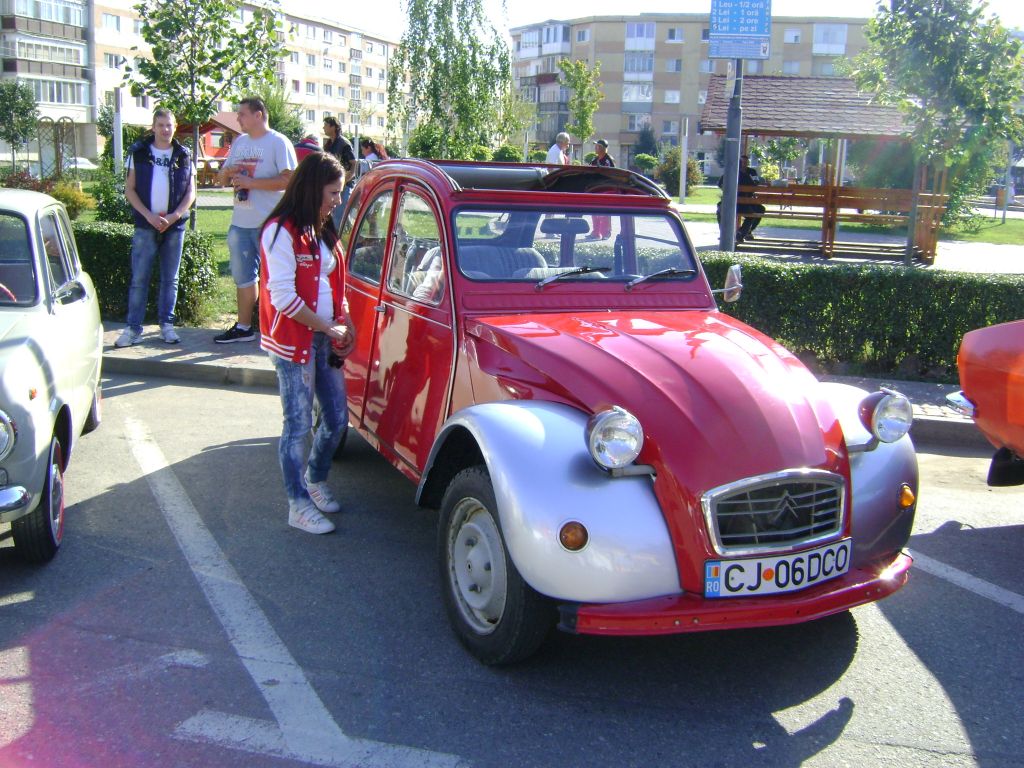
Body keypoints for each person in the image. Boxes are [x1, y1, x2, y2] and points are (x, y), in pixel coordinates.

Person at [259, 152, 355, 535]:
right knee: (297, 425)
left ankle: (314, 480)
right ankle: (296, 504)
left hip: (323, 336)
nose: (337, 200)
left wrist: (343, 320)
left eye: (340, 192)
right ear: (314, 187)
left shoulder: (323, 228)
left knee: (336, 420)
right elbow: (283, 297)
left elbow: (333, 285)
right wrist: (329, 329)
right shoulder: (279, 230)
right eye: (333, 192)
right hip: (293, 342)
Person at [214, 97, 297, 343]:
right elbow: (221, 179)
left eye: (242, 114)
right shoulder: (239, 143)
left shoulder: (278, 142)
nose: (238, 118)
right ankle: (244, 327)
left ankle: (274, 328)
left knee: (275, 277)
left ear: (258, 115)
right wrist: (225, 173)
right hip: (241, 221)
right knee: (243, 277)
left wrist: (253, 183)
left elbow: (289, 180)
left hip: (270, 223)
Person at [115, 107, 196, 347]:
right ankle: (133, 329)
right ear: (153, 127)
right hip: (145, 224)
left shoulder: (183, 154)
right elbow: (129, 189)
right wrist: (149, 215)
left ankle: (166, 326)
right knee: (139, 278)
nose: (165, 129)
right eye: (161, 125)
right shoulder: (139, 152)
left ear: (175, 127)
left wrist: (174, 216)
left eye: (169, 125)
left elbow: (191, 191)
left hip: (174, 226)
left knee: (170, 279)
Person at [716, 154, 766, 243]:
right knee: (751, 215)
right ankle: (742, 232)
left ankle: (724, 233)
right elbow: (753, 187)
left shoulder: (728, 174)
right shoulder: (746, 176)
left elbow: (720, 184)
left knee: (720, 210)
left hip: (727, 204)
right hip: (742, 205)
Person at [323, 116, 356, 227]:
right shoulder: (328, 144)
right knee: (331, 218)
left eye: (326, 125)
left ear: (333, 127)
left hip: (344, 187)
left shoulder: (343, 143)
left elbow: (354, 164)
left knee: (337, 220)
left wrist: (343, 182)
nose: (323, 127)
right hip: (331, 185)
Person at [588, 139, 615, 240]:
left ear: (602, 148)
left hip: (605, 189)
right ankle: (596, 232)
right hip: (595, 189)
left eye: (597, 146)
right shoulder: (594, 160)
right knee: (594, 212)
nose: (595, 148)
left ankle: (606, 232)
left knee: (604, 212)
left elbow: (610, 175)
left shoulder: (608, 160)